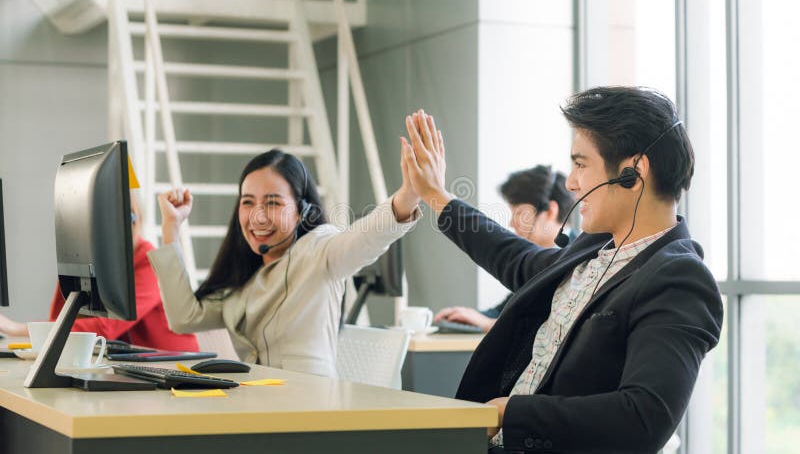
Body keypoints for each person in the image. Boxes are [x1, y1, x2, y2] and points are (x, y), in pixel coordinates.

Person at [400, 88, 723, 453]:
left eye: (581, 164)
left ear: (633, 172)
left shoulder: (679, 280)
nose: (571, 182)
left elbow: (643, 418)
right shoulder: (593, 249)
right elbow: (513, 257)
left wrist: (513, 413)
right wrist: (437, 197)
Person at [148, 148, 420, 377]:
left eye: (273, 203)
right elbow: (184, 318)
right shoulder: (243, 280)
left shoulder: (319, 250)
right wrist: (171, 226)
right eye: (248, 202)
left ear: (302, 211)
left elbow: (363, 240)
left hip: (307, 413)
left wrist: (407, 197)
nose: (258, 217)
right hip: (256, 409)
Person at [0, 194, 199, 352]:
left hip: (173, 368)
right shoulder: (99, 262)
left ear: (133, 221)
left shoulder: (147, 260)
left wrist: (16, 329)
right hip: (129, 366)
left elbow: (107, 327)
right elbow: (62, 317)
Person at [434, 166, 576, 332]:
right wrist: (467, 316)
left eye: (520, 214)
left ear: (550, 211)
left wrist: (487, 324)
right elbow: (504, 311)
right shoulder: (533, 263)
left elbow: (547, 325)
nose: (511, 223)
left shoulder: (578, 262)